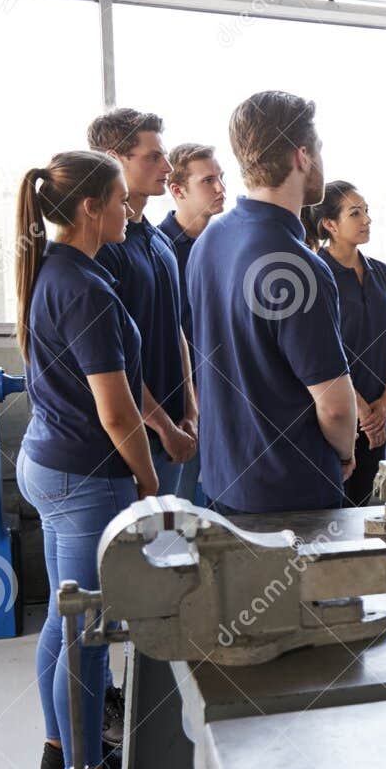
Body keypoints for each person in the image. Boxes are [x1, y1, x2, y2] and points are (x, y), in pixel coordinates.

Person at [13, 152, 159, 769]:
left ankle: (57, 754)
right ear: (94, 208)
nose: (131, 210)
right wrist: (149, 477)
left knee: (63, 619)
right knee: (88, 634)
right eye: (122, 200)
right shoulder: (88, 288)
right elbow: (116, 411)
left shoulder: (58, 271)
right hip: (82, 475)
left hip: (47, 462)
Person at [187, 91, 356, 514]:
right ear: (302, 156)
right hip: (290, 496)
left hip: (222, 482)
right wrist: (345, 452)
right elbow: (335, 408)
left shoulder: (209, 240)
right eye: (318, 150)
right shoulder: (298, 266)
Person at [87, 110, 197, 496]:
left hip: (174, 433)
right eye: (153, 157)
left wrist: (190, 411)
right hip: (133, 442)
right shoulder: (103, 248)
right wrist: (162, 425)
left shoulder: (160, 239)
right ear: (115, 159)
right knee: (130, 555)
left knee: (167, 549)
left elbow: (176, 331)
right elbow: (110, 359)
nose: (167, 166)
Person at [302, 182, 386, 507]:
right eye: (355, 213)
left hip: (378, 416)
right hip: (336, 415)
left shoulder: (384, 275)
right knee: (333, 509)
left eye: (367, 211)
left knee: (365, 509)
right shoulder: (316, 275)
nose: (366, 219)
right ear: (330, 225)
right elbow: (321, 350)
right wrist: (361, 409)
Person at [158, 143, 227, 503]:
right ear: (178, 190)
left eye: (221, 178)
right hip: (184, 410)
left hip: (230, 400)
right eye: (208, 181)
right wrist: (194, 408)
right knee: (178, 518)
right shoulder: (158, 248)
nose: (220, 189)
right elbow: (169, 334)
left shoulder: (228, 246)